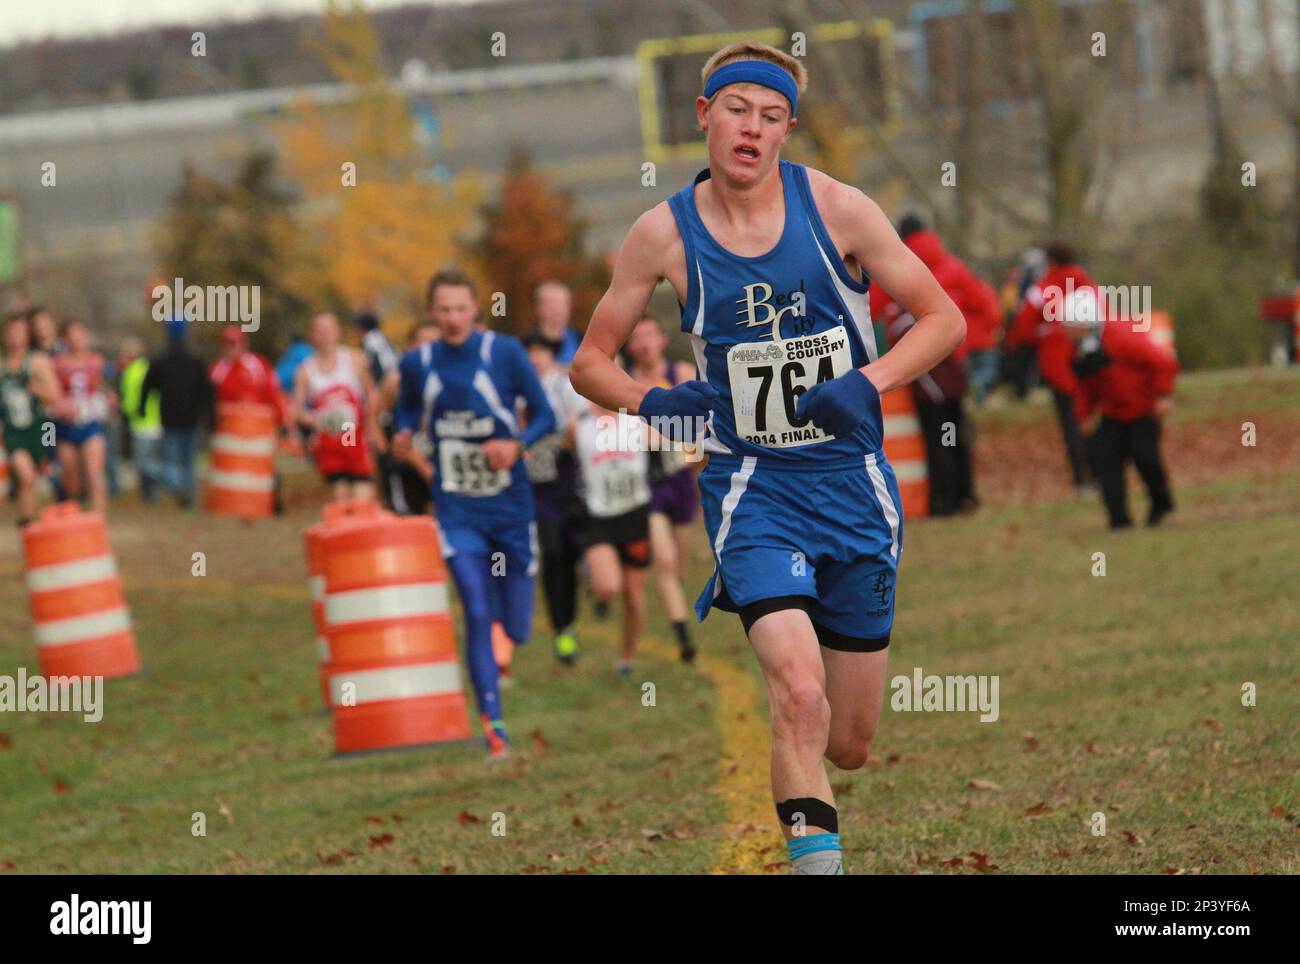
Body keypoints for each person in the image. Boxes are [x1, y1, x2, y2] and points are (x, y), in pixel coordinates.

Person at [568, 42, 964, 874]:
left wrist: (869, 382)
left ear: (788, 128)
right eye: (737, 108)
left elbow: (942, 319)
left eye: (772, 114)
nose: (753, 127)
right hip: (754, 489)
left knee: (849, 742)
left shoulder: (840, 210)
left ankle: (813, 764)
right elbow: (589, 362)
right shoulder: (660, 234)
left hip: (854, 487)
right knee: (799, 693)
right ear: (703, 115)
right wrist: (656, 401)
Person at [392, 269, 555, 760]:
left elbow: (545, 413)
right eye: (443, 310)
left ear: (475, 310)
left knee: (517, 626)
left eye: (461, 308)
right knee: (476, 611)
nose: (453, 318)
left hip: (509, 510)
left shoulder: (503, 354)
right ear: (431, 312)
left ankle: (513, 638)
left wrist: (516, 444)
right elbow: (403, 411)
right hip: (457, 510)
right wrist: (403, 435)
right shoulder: (417, 362)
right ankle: (494, 727)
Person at [873, 217, 981, 515]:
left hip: (922, 366)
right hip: (954, 364)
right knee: (957, 433)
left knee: (935, 437)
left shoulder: (897, 263)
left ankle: (943, 502)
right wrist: (968, 343)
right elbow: (987, 308)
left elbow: (869, 307)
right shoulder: (954, 266)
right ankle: (966, 495)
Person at [624, 316, 700, 661]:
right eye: (636, 338)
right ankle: (683, 638)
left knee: (679, 566)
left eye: (649, 335)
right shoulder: (625, 384)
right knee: (665, 561)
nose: (643, 344)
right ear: (629, 346)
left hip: (681, 479)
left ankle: (677, 608)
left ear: (662, 338)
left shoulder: (682, 374)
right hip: (647, 482)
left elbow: (703, 426)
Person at [1066, 302, 1179, 529]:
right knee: (1106, 464)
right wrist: (1083, 414)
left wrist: (1163, 395)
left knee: (1146, 458)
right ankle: (1119, 521)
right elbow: (1085, 385)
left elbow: (1164, 362)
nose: (1067, 332)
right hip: (1112, 414)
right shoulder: (1080, 350)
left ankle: (1161, 504)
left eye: (1070, 327)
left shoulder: (1122, 337)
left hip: (1143, 410)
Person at [522, 332, 591, 665]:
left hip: (567, 479)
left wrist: (564, 441)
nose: (535, 359)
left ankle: (574, 613)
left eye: (541, 353)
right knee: (552, 555)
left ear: (551, 358)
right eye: (530, 352)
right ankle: (562, 629)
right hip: (534, 487)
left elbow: (583, 420)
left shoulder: (563, 385)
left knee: (571, 552)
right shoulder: (515, 387)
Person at [571, 399, 651, 676]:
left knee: (634, 598)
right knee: (608, 587)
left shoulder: (638, 420)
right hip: (599, 518)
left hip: (635, 516)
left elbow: (674, 442)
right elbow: (562, 459)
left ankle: (626, 658)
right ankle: (593, 580)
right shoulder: (577, 426)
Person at [1007, 242, 1095, 491]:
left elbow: (1023, 327)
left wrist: (1041, 335)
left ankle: (1081, 478)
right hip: (1090, 364)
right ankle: (1100, 472)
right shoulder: (1088, 285)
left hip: (1058, 366)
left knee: (1070, 423)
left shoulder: (1042, 289)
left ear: (1052, 262)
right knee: (1091, 417)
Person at [293, 312, 382, 502]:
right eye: (319, 330)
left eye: (329, 329)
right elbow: (296, 410)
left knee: (362, 495)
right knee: (340, 495)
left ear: (338, 332)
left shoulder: (355, 359)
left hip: (356, 438)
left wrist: (371, 423)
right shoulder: (305, 370)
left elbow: (373, 394)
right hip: (329, 443)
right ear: (312, 335)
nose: (325, 335)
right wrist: (316, 420)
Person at [210, 326, 289, 512]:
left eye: (234, 344)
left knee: (264, 466)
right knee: (233, 470)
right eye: (227, 345)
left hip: (257, 430)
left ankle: (272, 501)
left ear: (244, 344)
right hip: (230, 432)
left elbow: (272, 393)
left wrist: (280, 420)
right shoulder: (217, 370)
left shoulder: (257, 365)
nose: (230, 349)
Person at [139, 318, 214, 509]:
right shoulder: (196, 359)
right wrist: (210, 416)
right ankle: (189, 499)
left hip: (170, 420)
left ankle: (180, 489)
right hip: (190, 419)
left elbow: (147, 387)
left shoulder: (160, 359)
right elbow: (207, 391)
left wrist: (141, 407)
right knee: (189, 463)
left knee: (169, 463)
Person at [1, 311, 62, 525]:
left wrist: (35, 388)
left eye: (20, 331)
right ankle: (28, 524)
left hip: (39, 429)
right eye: (11, 332)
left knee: (33, 481)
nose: (15, 336)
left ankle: (29, 524)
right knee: (26, 476)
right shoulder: (2, 366)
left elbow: (55, 395)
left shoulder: (37, 362)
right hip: (12, 432)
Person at [51, 319, 112, 515]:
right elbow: (50, 395)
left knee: (95, 475)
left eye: (80, 333)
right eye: (72, 334)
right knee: (70, 477)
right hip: (63, 427)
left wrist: (107, 400)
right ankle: (72, 517)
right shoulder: (57, 364)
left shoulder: (97, 362)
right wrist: (60, 405)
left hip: (90, 424)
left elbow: (107, 390)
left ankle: (97, 521)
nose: (77, 339)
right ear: (65, 339)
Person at [118, 336, 162, 504]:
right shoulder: (150, 367)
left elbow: (130, 401)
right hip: (156, 421)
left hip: (141, 424)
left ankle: (175, 476)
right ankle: (151, 498)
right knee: (150, 462)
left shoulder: (130, 373)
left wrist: (122, 410)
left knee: (143, 465)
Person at [532, 281, 581, 364]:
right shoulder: (525, 345)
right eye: (551, 304)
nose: (557, 310)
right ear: (538, 308)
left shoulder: (580, 340)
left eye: (562, 304)